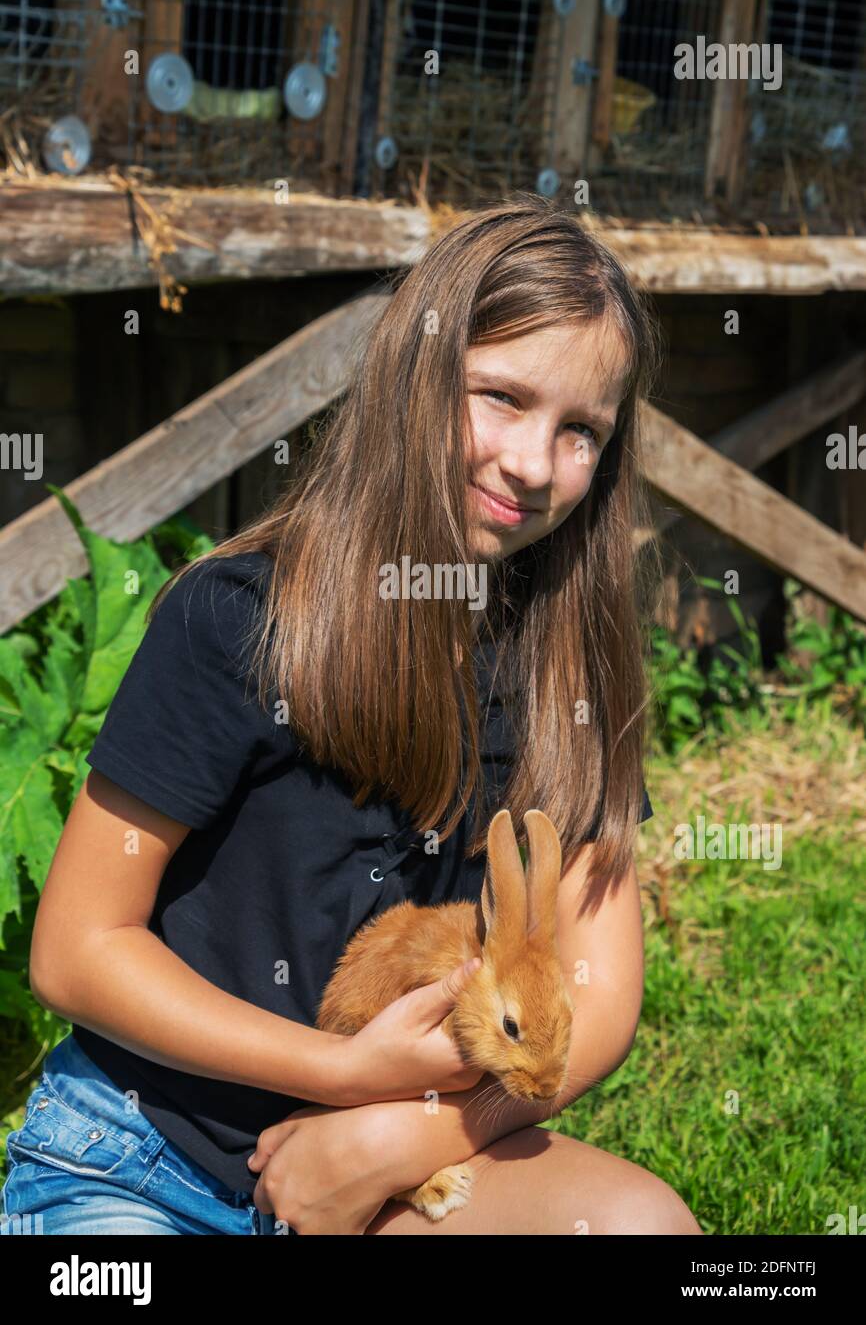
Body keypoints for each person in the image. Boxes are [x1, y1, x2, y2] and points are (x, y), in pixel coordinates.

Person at [2, 195, 701, 1235]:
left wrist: (407, 1132)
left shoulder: (566, 672)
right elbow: (76, 947)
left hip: (388, 1166)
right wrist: (340, 1072)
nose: (528, 460)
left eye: (578, 431)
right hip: (143, 1155)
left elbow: (595, 993)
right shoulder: (238, 618)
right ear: (415, 378)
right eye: (501, 397)